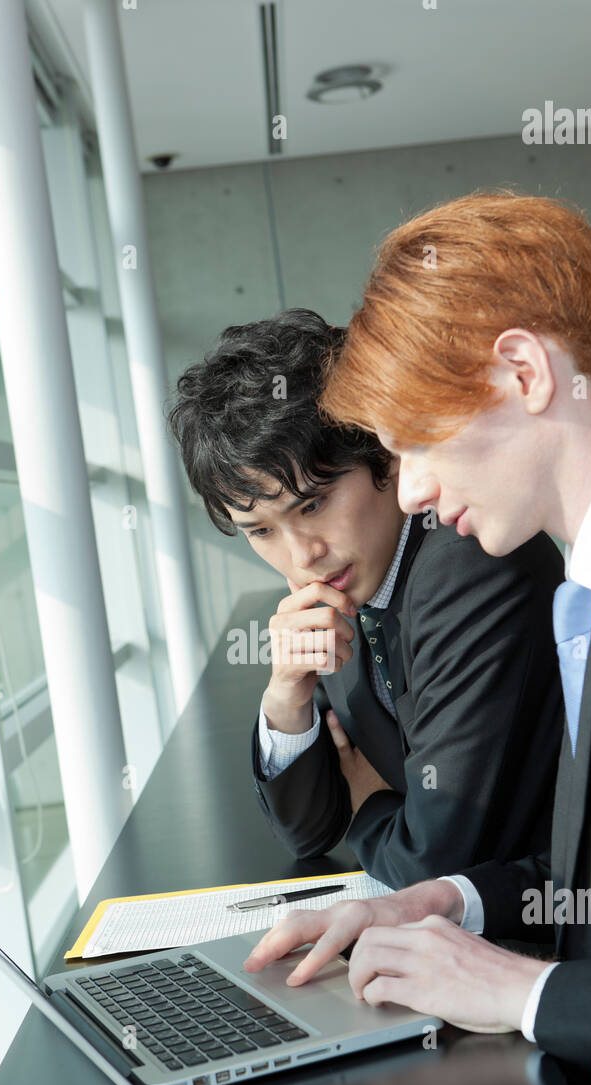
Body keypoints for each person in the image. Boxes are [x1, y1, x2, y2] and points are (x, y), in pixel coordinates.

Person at [244, 190, 591, 1085]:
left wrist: (523, 994)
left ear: (524, 374)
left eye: (416, 442)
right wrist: (446, 904)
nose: (410, 491)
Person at [169, 307, 564, 888]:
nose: (302, 554)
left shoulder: (472, 566)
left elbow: (433, 869)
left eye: (313, 505)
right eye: (261, 531)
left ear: (384, 453)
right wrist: (287, 698)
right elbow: (307, 834)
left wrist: (368, 803)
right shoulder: (339, 587)